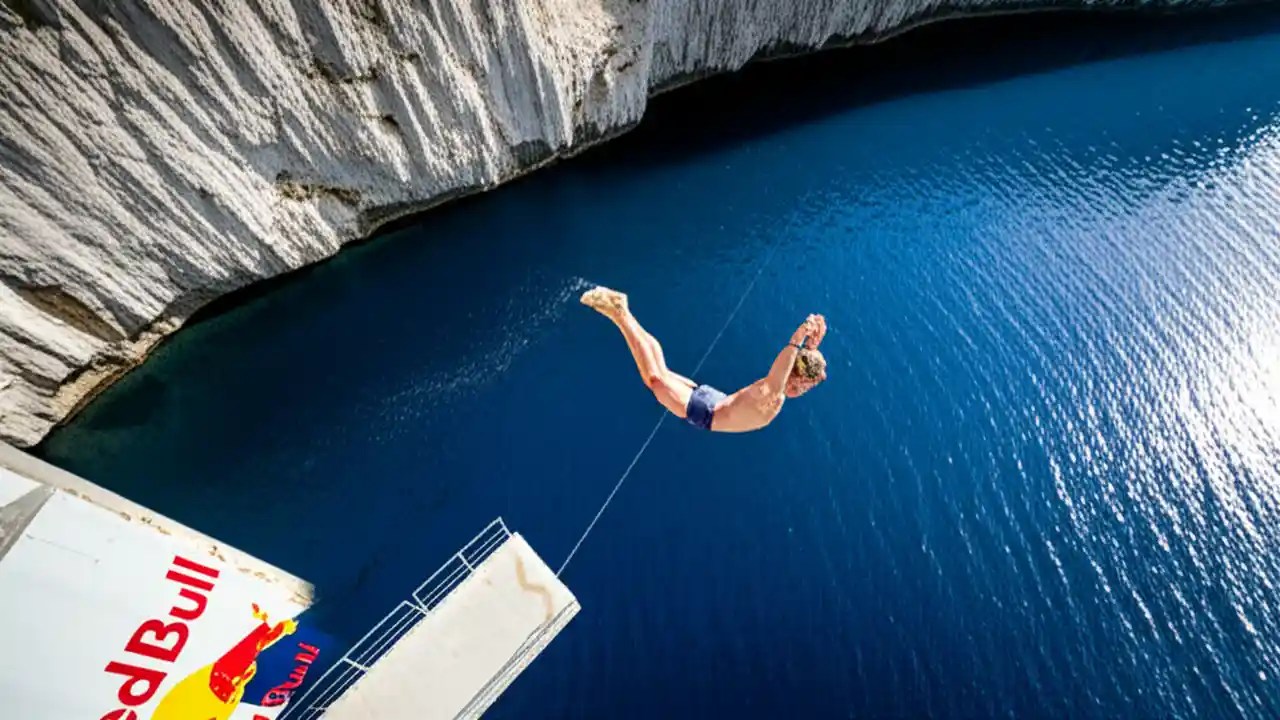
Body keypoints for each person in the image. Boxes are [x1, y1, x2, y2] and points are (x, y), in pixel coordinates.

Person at [580, 285, 827, 433]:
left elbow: (800, 366)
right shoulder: (774, 394)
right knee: (654, 378)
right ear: (792, 377)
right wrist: (798, 337)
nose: (803, 390)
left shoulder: (781, 386)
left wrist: (812, 344)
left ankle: (621, 314)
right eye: (802, 386)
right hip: (706, 411)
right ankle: (620, 313)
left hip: (714, 400)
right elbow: (787, 364)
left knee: (660, 372)